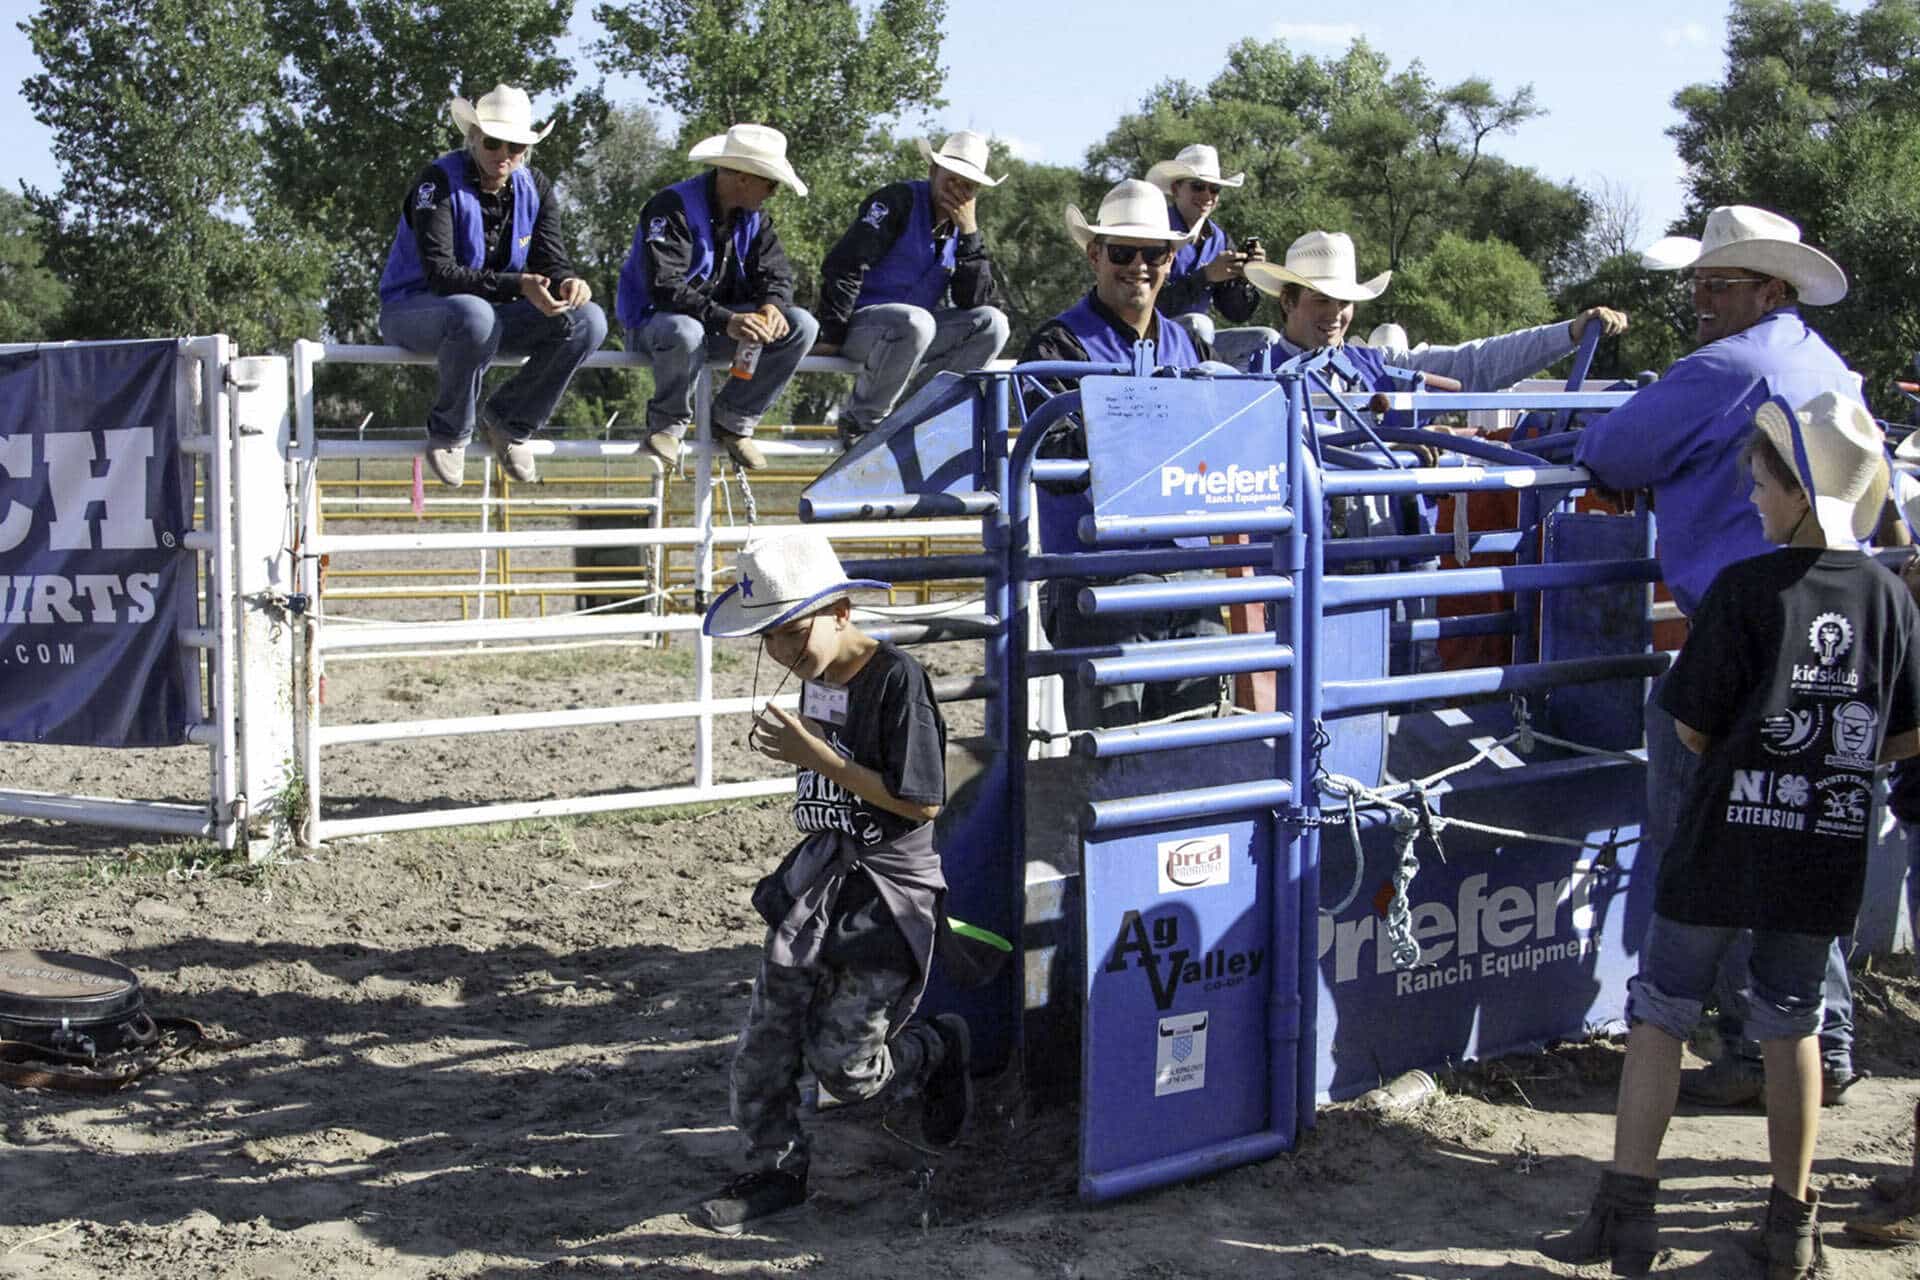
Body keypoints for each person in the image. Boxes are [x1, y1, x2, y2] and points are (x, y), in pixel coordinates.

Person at [1538, 390, 1920, 1278]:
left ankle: (1627, 1213)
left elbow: (1692, 727)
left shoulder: (1744, 591)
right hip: (1824, 846)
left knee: (1662, 1010)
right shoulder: (1889, 600)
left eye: (1762, 482)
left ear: (1798, 493)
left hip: (1722, 841)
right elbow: (1904, 735)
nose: (1752, 495)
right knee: (1795, 1021)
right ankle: (1791, 1224)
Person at [1573, 206, 1866, 1112]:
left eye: (1718, 284)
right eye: (1699, 283)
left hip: (1740, 637)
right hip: (1830, 627)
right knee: (1802, 837)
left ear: (1768, 289)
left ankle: (1742, 1040)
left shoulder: (1728, 367)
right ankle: (1818, 1039)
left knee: (1708, 832)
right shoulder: (1823, 362)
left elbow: (1609, 449)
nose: (1700, 299)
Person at [692, 530, 972, 1235]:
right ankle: (775, 1171)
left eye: (791, 633)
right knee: (765, 1041)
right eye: (769, 638)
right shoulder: (817, 674)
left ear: (841, 611)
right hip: (821, 878)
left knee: (845, 1067)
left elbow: (922, 801)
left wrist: (815, 756)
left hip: (884, 892)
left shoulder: (897, 679)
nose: (781, 652)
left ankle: (934, 1049)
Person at [1018, 178, 1228, 730]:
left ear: (1170, 260)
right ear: (1095, 255)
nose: (1138, 266)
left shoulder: (1192, 345)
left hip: (1190, 573)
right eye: (1122, 253)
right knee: (1110, 744)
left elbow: (1224, 445)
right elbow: (1055, 464)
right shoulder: (1055, 345)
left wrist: (1121, 426)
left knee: (1197, 741)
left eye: (1153, 253)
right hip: (1099, 577)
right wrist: (1164, 424)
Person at [377, 84, 608, 488]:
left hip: (489, 316)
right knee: (474, 314)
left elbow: (551, 260)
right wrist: (519, 284)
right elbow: (441, 274)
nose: (504, 154)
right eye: (493, 142)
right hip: (413, 308)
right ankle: (450, 432)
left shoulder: (537, 186)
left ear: (526, 149)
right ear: (473, 139)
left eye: (515, 146)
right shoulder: (436, 182)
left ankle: (510, 422)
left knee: (589, 321)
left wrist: (569, 282)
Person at [617, 124, 818, 471]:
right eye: (770, 183)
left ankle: (733, 420)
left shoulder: (755, 219)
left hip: (715, 327)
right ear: (743, 178)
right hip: (654, 325)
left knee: (801, 325)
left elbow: (777, 273)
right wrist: (729, 320)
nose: (773, 192)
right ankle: (666, 426)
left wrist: (772, 306)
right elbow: (665, 286)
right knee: (684, 331)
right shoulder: (671, 207)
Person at [813, 131, 1010, 448]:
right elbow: (845, 263)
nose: (957, 190)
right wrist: (832, 333)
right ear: (932, 171)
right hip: (860, 327)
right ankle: (861, 423)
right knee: (916, 321)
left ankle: (916, 419)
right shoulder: (896, 201)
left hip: (914, 337)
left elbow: (974, 301)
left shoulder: (965, 231)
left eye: (968, 186)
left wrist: (970, 233)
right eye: (951, 179)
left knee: (993, 324)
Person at [1143, 144, 1278, 370]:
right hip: (1153, 338)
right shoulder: (1155, 232)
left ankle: (1228, 387)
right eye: (1197, 187)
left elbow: (1235, 314)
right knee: (1199, 324)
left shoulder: (1220, 238)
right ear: (1176, 189)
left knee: (1267, 339)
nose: (1207, 196)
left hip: (1200, 343)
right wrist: (1205, 276)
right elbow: (1149, 303)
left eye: (1214, 189)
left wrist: (1246, 279)